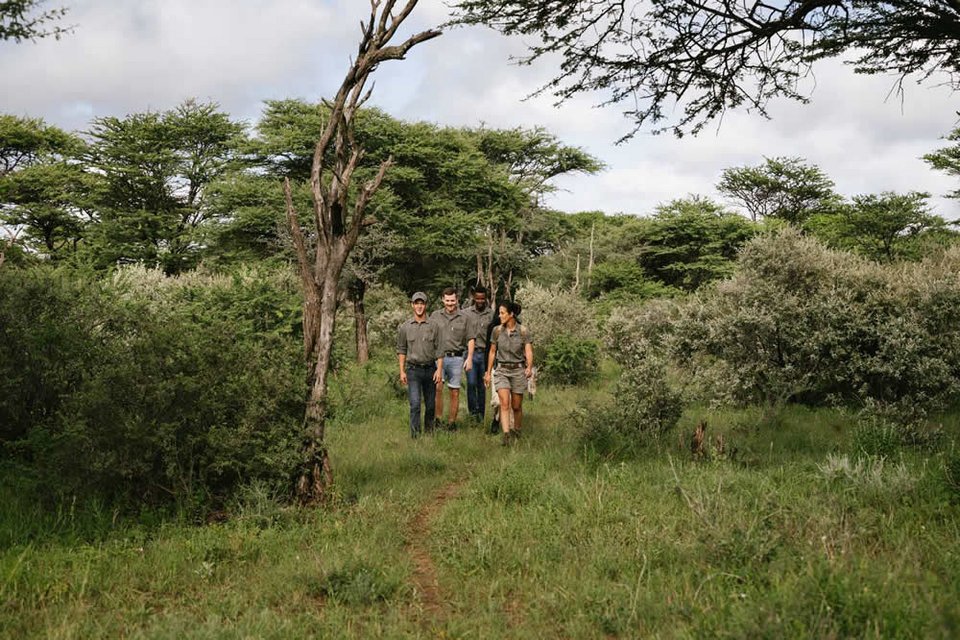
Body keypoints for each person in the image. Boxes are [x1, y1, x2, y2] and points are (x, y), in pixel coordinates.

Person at [484, 301, 533, 445]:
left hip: (518, 370)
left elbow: (528, 350)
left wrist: (529, 367)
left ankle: (516, 431)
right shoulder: (497, 331)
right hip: (502, 371)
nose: (499, 316)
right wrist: (488, 372)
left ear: (511, 314)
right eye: (499, 313)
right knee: (504, 403)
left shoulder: (523, 331)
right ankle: (506, 435)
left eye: (502, 313)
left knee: (516, 406)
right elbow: (492, 352)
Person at [396, 292, 443, 438]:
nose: (419, 306)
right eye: (416, 303)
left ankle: (429, 433)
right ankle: (415, 436)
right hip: (413, 370)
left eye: (422, 303)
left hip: (430, 369)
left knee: (430, 405)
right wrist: (402, 371)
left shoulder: (434, 326)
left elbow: (440, 350)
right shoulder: (405, 327)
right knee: (415, 404)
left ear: (426, 305)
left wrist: (439, 370)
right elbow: (402, 350)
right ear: (412, 305)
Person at [430, 287, 476, 427]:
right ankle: (437, 420)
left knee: (454, 391)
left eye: (453, 300)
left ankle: (452, 422)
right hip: (439, 358)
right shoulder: (435, 316)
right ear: (442, 300)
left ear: (457, 300)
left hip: (457, 358)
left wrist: (469, 358)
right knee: (438, 388)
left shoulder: (465, 318)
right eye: (447, 300)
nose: (450, 303)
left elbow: (470, 339)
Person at [463, 285, 495, 423]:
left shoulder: (491, 314)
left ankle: (481, 416)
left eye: (483, 298)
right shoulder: (465, 313)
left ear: (486, 298)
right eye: (478, 298)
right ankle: (472, 413)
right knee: (470, 384)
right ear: (474, 298)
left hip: (485, 354)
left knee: (482, 386)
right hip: (470, 354)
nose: (480, 301)